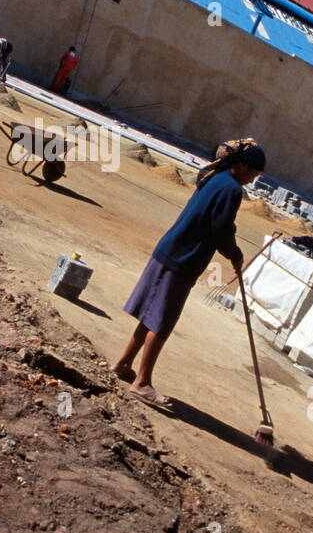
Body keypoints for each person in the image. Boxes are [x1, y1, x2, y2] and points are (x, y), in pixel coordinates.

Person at [111, 139, 266, 408]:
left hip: (169, 250)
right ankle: (142, 382)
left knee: (151, 315)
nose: (253, 180)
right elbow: (220, 229)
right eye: (253, 173)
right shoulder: (231, 190)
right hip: (183, 258)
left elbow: (221, 224)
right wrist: (235, 254)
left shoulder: (214, 177)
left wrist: (232, 244)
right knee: (162, 322)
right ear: (241, 165)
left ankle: (123, 364)